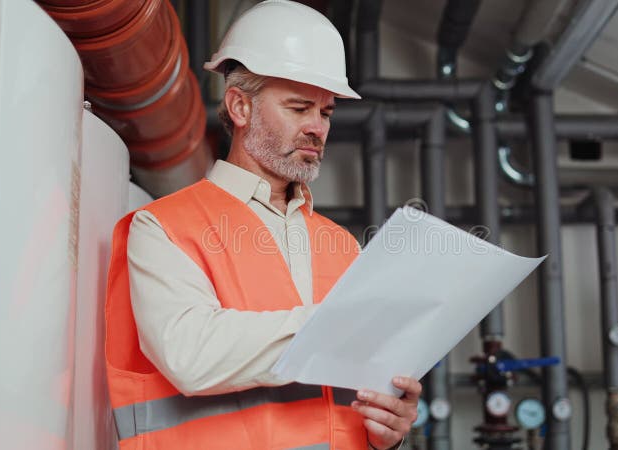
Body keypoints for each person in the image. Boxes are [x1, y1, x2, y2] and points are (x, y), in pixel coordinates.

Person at [104, 1, 421, 449]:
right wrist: (333, 326)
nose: (317, 128)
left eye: (326, 112)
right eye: (298, 108)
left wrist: (386, 433)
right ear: (239, 107)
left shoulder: (342, 246)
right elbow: (190, 355)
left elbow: (353, 398)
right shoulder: (164, 228)